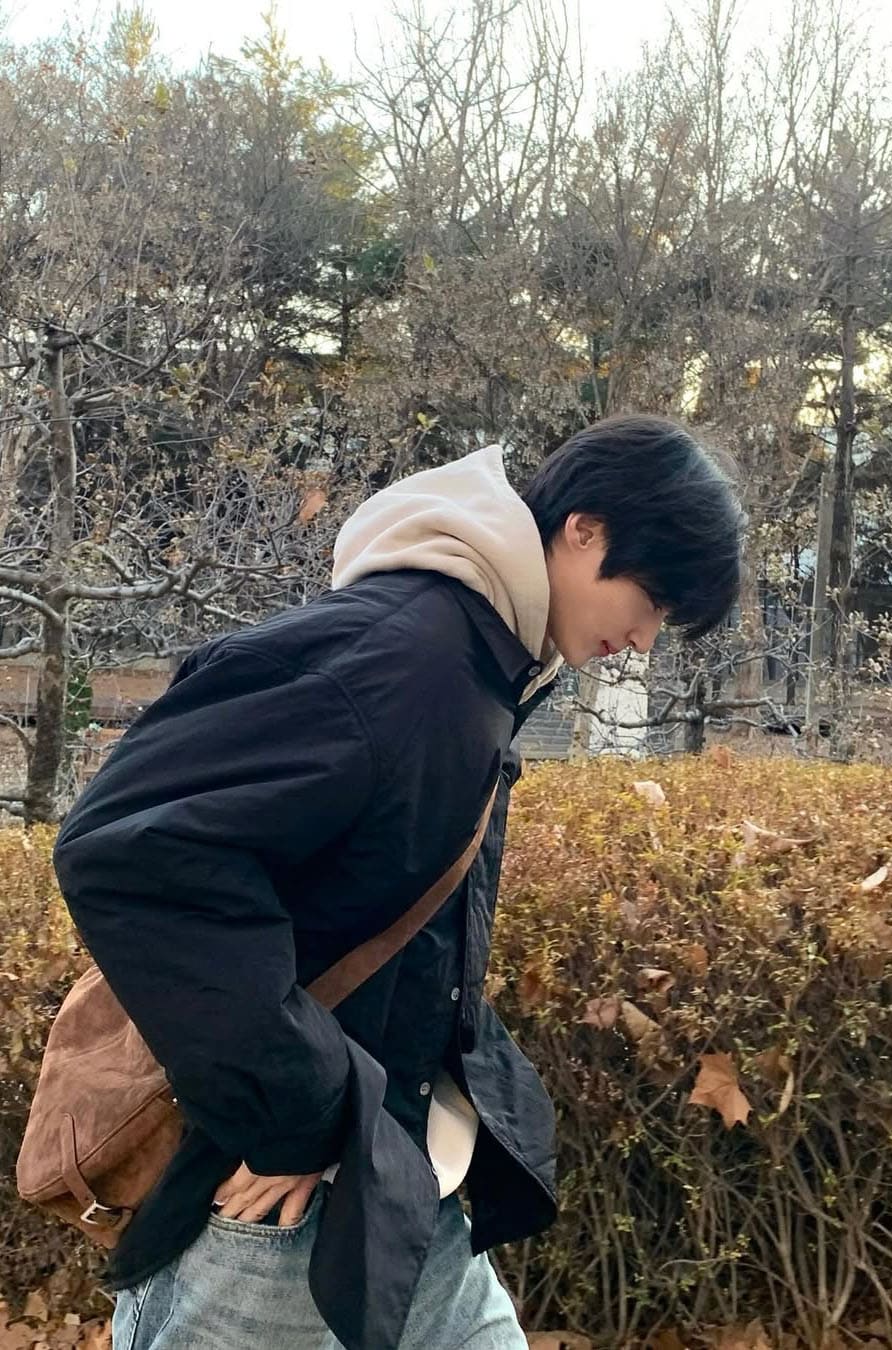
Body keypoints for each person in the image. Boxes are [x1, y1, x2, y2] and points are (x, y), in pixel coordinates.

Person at [52, 413, 742, 1350]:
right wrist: (301, 1112)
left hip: (402, 1189)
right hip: (277, 1226)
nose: (645, 639)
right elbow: (130, 850)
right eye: (651, 599)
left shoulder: (476, 661)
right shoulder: (405, 658)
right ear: (584, 529)